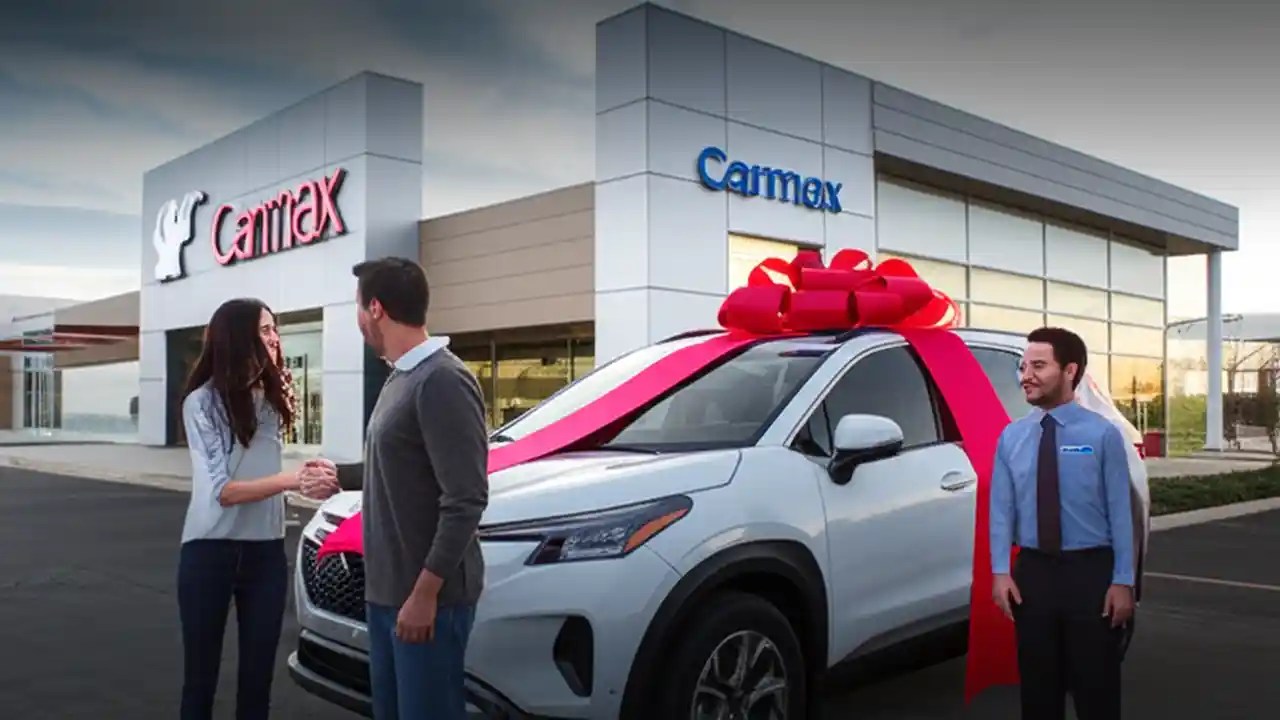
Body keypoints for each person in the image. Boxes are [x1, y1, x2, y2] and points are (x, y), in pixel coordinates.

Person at [177, 298, 341, 720]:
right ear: (237, 337)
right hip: (208, 551)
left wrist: (311, 474)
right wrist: (293, 480)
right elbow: (223, 492)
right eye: (264, 330)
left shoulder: (271, 400)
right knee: (200, 680)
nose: (274, 338)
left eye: (274, 329)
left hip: (266, 553)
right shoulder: (201, 403)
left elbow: (265, 471)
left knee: (257, 685)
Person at [352, 256, 490, 719]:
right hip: (389, 594)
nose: (358, 320)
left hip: (428, 602)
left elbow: (466, 499)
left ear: (375, 308)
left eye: (357, 308)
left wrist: (425, 594)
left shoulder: (443, 381)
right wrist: (340, 475)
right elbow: (402, 462)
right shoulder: (401, 377)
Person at [990, 326, 1136, 720]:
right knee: (1038, 693)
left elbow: (1122, 512)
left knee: (1096, 691)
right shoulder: (1011, 437)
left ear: (1070, 370)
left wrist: (1124, 581)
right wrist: (1001, 572)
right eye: (1022, 367)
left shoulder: (1103, 435)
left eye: (1038, 365)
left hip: (1091, 573)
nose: (1026, 375)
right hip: (1033, 575)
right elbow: (1000, 510)